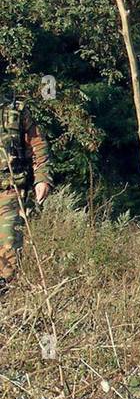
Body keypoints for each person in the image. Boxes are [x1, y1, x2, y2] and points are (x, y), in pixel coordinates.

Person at [0, 57, 52, 292]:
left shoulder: (16, 108)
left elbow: (37, 144)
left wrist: (42, 177)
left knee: (9, 249)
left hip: (10, 191)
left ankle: (6, 302)